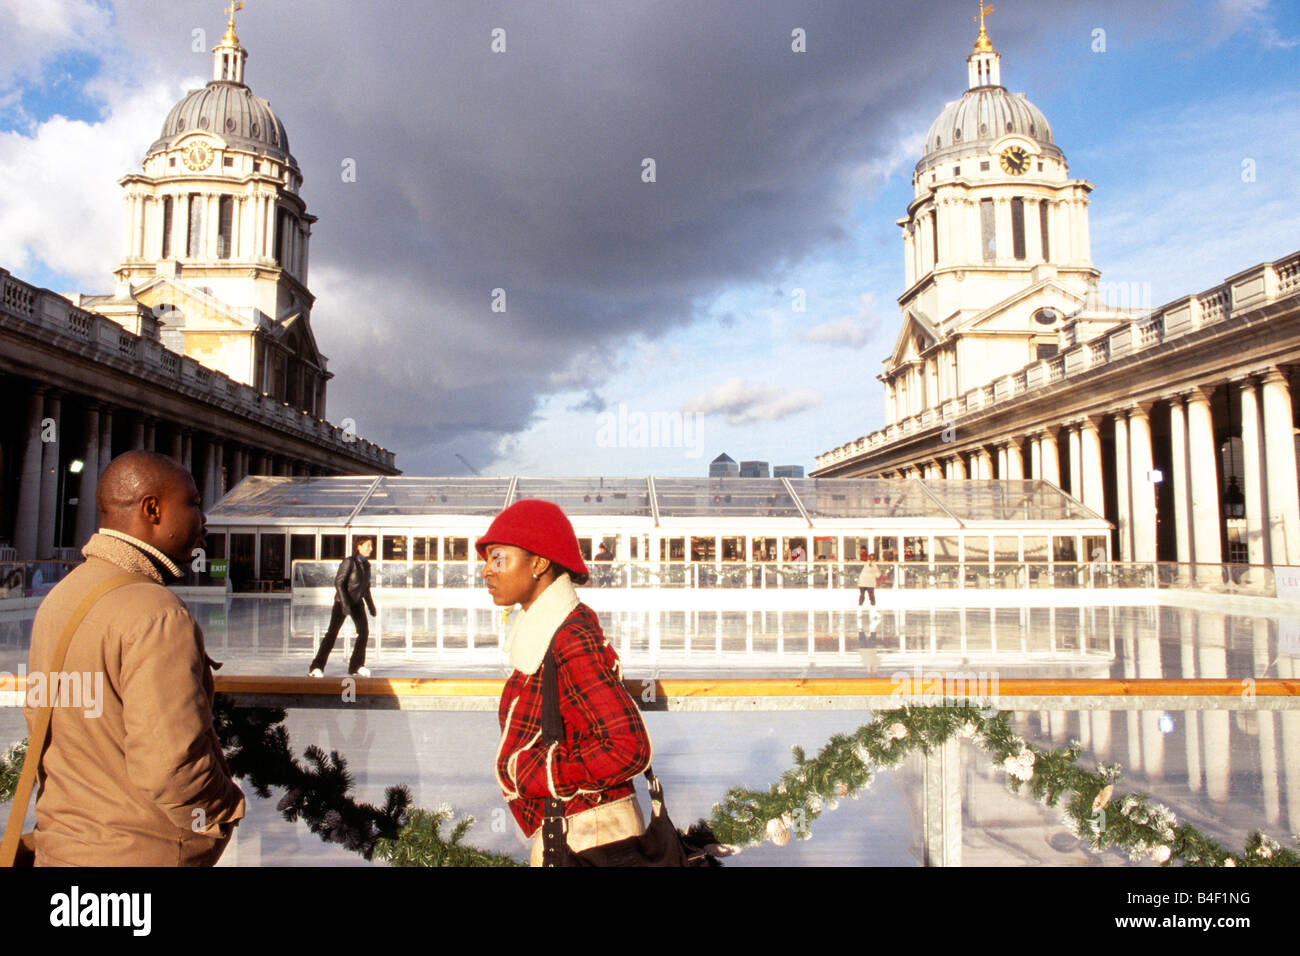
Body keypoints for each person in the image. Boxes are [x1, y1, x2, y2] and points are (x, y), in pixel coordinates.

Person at [23, 450, 245, 866]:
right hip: (140, 854)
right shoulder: (157, 612)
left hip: (63, 848)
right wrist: (223, 810)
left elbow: (41, 718)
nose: (203, 520)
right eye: (193, 503)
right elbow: (169, 762)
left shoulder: (62, 596)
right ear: (153, 509)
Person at [478, 499, 651, 866]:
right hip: (578, 827)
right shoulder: (548, 630)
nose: (486, 571)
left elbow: (627, 746)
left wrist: (537, 772)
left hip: (591, 837)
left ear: (539, 563)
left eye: (497, 558)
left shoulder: (569, 637)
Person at [309, 538, 376, 677]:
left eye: (371, 546)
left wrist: (371, 606)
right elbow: (339, 583)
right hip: (342, 602)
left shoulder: (367, 565)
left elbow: (365, 587)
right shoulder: (349, 562)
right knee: (332, 634)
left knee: (363, 632)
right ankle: (316, 667)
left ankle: (356, 666)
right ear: (359, 546)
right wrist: (345, 604)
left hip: (357, 603)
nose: (371, 548)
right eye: (368, 545)